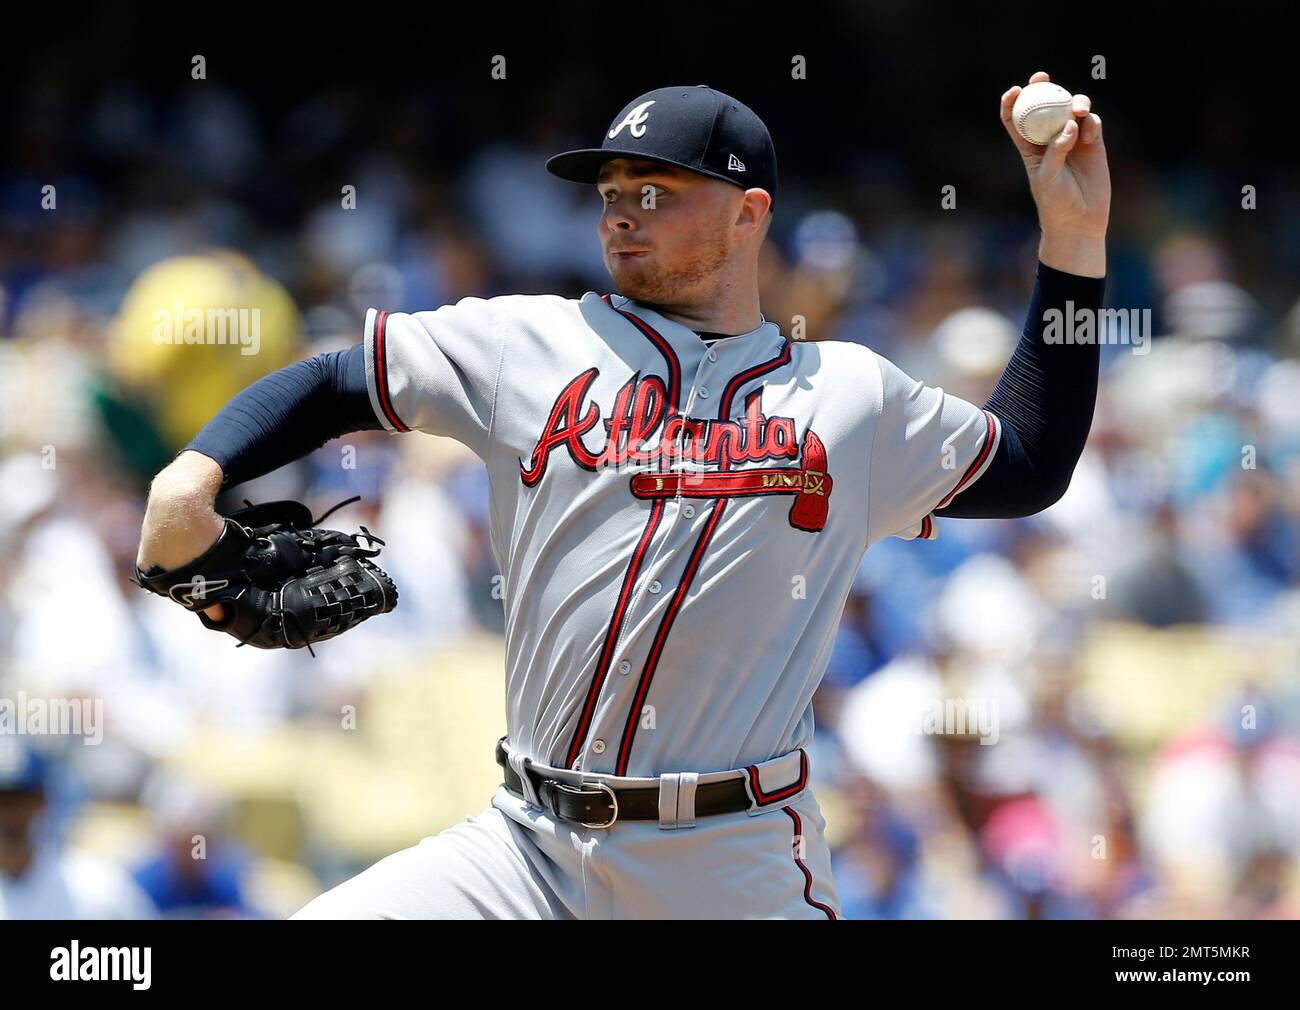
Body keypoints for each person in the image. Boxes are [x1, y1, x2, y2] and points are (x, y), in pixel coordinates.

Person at [135, 73, 1109, 919]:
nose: (618, 212)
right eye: (608, 192)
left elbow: (1027, 458)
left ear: (748, 212)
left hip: (728, 861)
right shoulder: (529, 342)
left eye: (654, 190)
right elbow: (337, 381)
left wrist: (1071, 241)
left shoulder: (850, 395)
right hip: (523, 847)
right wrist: (195, 474)